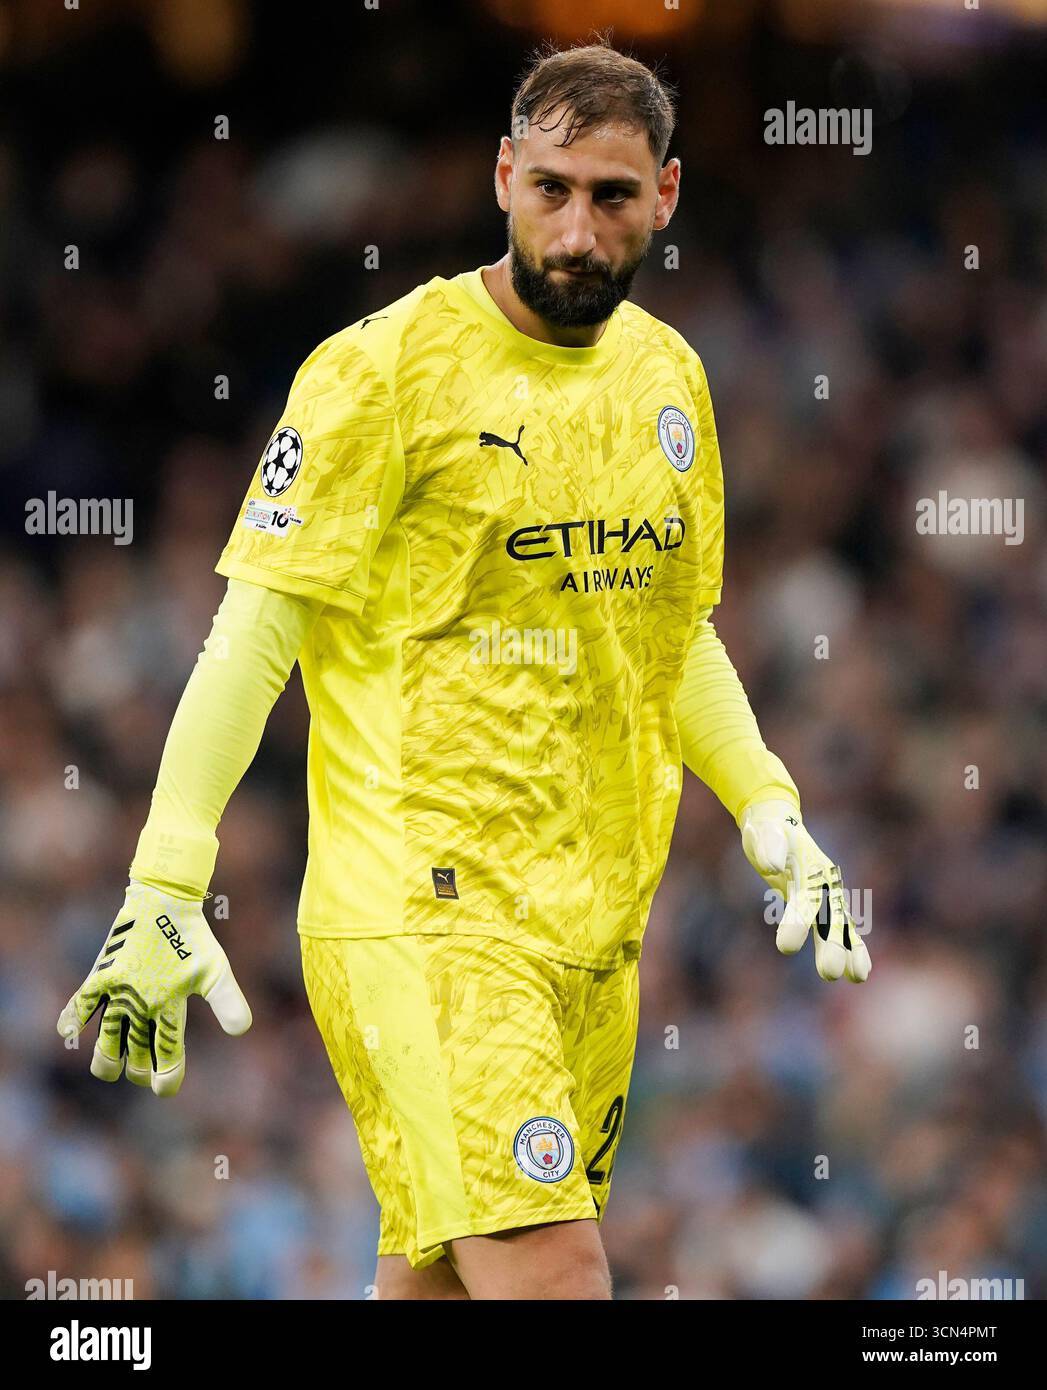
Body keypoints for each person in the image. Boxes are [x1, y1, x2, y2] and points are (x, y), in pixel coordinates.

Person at [57, 37, 870, 1301]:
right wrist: (169, 873)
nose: (576, 229)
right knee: (553, 1274)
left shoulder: (671, 380)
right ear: (502, 177)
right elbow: (251, 633)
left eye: (610, 196)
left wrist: (773, 810)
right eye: (550, 188)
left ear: (664, 197)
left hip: (592, 934)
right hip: (424, 914)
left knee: (439, 1283)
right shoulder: (381, 371)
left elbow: (673, 634)